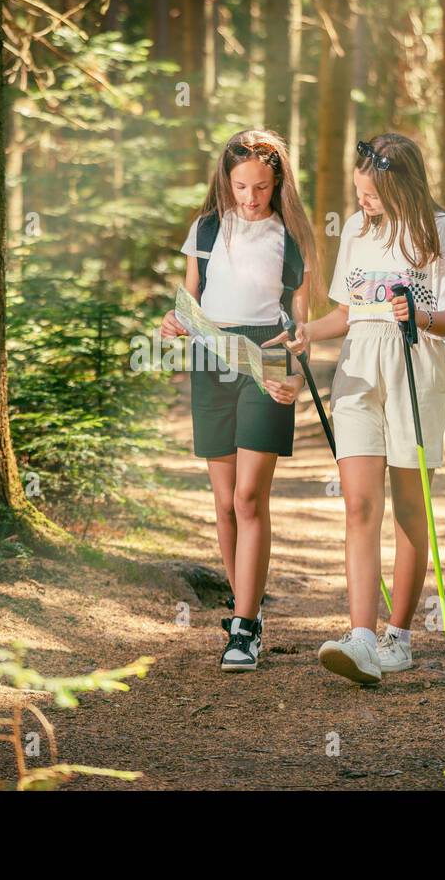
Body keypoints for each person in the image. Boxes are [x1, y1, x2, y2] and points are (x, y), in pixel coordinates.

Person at [275, 133, 445, 684]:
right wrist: (307, 331)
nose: (363, 203)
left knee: (411, 507)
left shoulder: (440, 231)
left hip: (417, 368)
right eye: (360, 193)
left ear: (401, 186)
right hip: (357, 371)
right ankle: (360, 637)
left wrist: (418, 314)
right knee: (359, 504)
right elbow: (348, 311)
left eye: (372, 195)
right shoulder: (357, 231)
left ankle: (397, 638)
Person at [159, 129, 320, 672]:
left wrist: (298, 357)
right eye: (241, 186)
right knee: (225, 503)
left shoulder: (292, 235)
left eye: (262, 187)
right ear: (225, 181)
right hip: (210, 358)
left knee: (251, 497)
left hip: (266, 359)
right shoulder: (205, 229)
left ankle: (246, 630)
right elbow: (190, 301)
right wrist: (174, 321)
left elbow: (301, 321)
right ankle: (239, 612)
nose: (251, 198)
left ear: (278, 184)